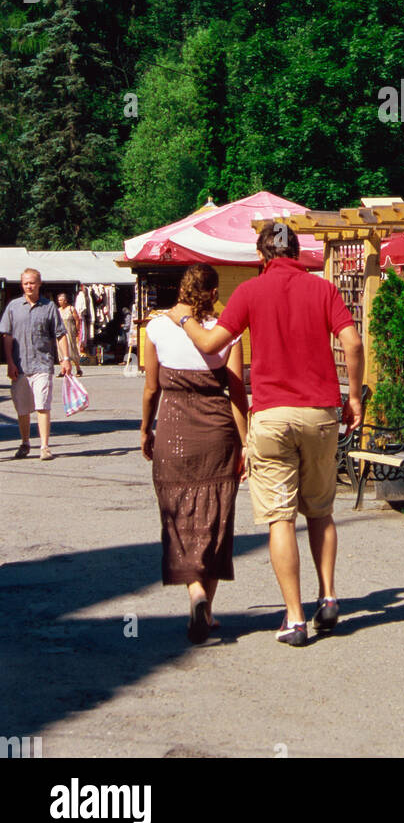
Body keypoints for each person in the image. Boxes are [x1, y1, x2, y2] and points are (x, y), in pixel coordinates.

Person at [171, 222, 363, 648]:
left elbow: (210, 343)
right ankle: (328, 595)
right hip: (319, 413)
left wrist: (184, 317)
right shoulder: (324, 289)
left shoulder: (250, 292)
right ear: (296, 251)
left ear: (262, 256)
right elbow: (352, 342)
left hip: (272, 415)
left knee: (281, 518)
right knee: (321, 511)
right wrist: (355, 399)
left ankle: (295, 619)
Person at [141, 264, 248, 644]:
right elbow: (237, 392)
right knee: (217, 515)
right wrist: (244, 441)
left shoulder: (156, 328)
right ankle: (209, 606)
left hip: (174, 430)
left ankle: (195, 593)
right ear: (214, 292)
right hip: (217, 431)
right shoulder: (224, 333)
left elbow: (152, 388)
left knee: (177, 514)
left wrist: (145, 429)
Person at [1, 268, 73, 460]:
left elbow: (60, 334)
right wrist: (9, 362)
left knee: (43, 405)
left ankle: (44, 446)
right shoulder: (13, 307)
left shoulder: (49, 307)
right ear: (21, 285)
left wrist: (65, 359)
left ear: (39, 283)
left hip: (42, 364)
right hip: (20, 366)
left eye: (32, 282)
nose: (29, 286)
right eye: (25, 283)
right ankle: (25, 443)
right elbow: (7, 336)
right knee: (23, 409)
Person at [56, 293, 85, 376]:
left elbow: (77, 320)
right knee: (60, 351)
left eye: (61, 300)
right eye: (59, 300)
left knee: (72, 349)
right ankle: (63, 370)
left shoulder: (71, 309)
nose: (60, 302)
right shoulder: (58, 310)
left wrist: (77, 330)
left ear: (65, 301)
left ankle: (78, 369)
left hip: (70, 332)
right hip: (61, 333)